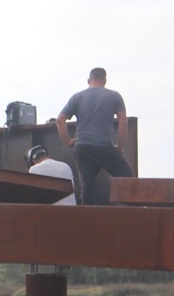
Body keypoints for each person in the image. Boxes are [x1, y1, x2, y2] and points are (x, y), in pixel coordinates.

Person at [56, 67, 133, 205]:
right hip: (104, 146)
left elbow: (60, 120)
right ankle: (136, 213)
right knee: (128, 179)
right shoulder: (114, 96)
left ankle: (88, 218)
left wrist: (68, 141)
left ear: (88, 81)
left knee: (87, 186)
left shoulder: (77, 97)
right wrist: (120, 147)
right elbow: (123, 122)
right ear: (105, 81)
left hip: (82, 147)